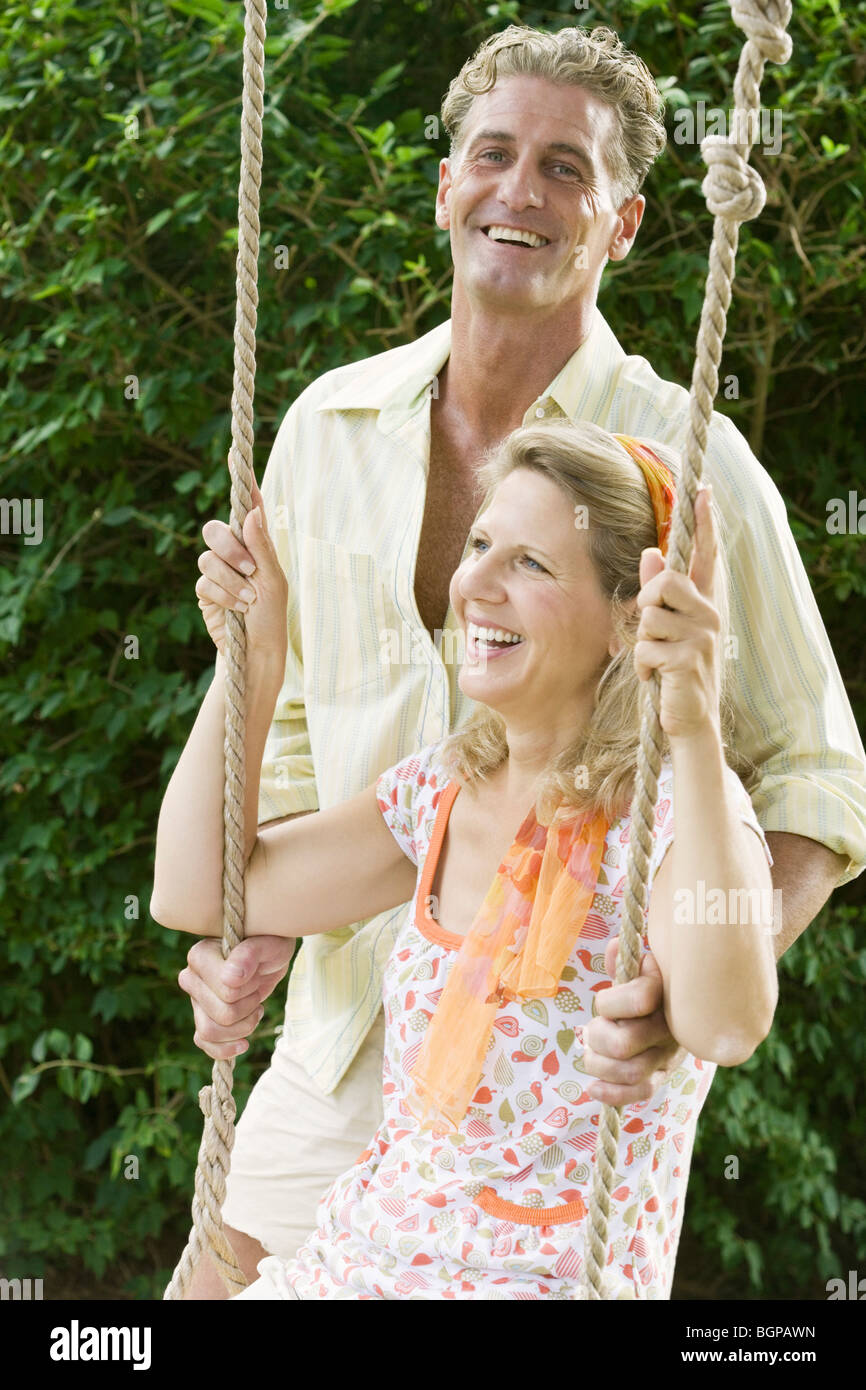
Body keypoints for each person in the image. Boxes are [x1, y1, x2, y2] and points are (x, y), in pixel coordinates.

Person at [165, 23, 866, 1295]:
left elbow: (814, 778)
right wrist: (258, 920)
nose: (518, 191)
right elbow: (294, 729)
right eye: (492, 154)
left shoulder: (687, 463)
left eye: (564, 169)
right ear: (444, 186)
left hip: (548, 1081)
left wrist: (690, 980)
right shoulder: (329, 424)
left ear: (625, 223)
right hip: (346, 1027)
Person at [152, 418, 780, 1299]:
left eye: (531, 564)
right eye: (481, 543)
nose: (475, 583)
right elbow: (195, 891)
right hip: (355, 1264)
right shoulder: (442, 789)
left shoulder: (674, 807)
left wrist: (694, 722)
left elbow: (726, 1023)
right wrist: (252, 659)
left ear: (627, 620)